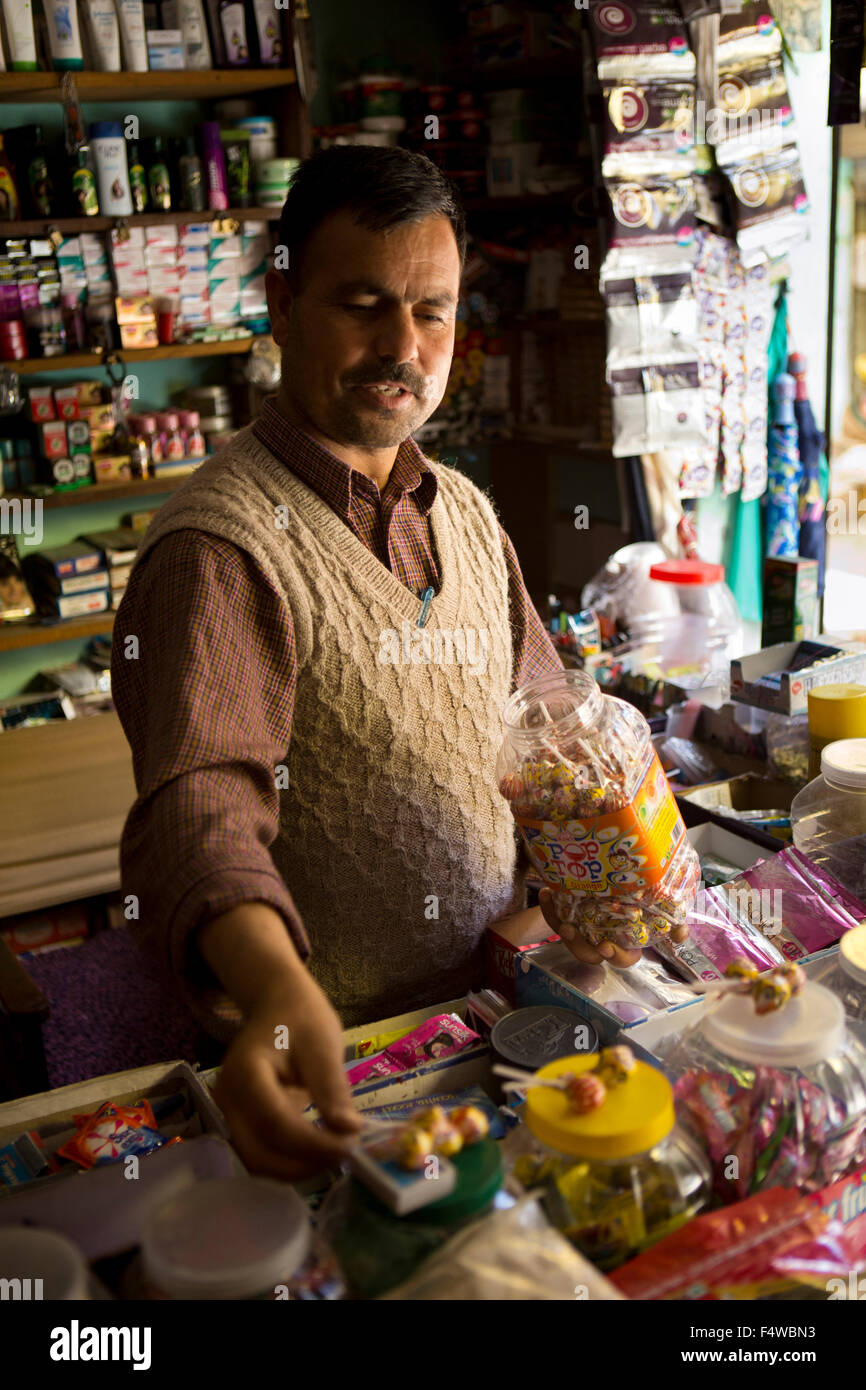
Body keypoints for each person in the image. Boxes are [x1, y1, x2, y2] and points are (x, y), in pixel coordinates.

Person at [112, 145, 682, 1180]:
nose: (402, 348)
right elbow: (199, 811)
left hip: (496, 1013)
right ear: (281, 300)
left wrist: (615, 859)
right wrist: (276, 996)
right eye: (363, 304)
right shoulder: (223, 549)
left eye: (432, 312)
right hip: (331, 1068)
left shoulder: (459, 510)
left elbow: (547, 727)